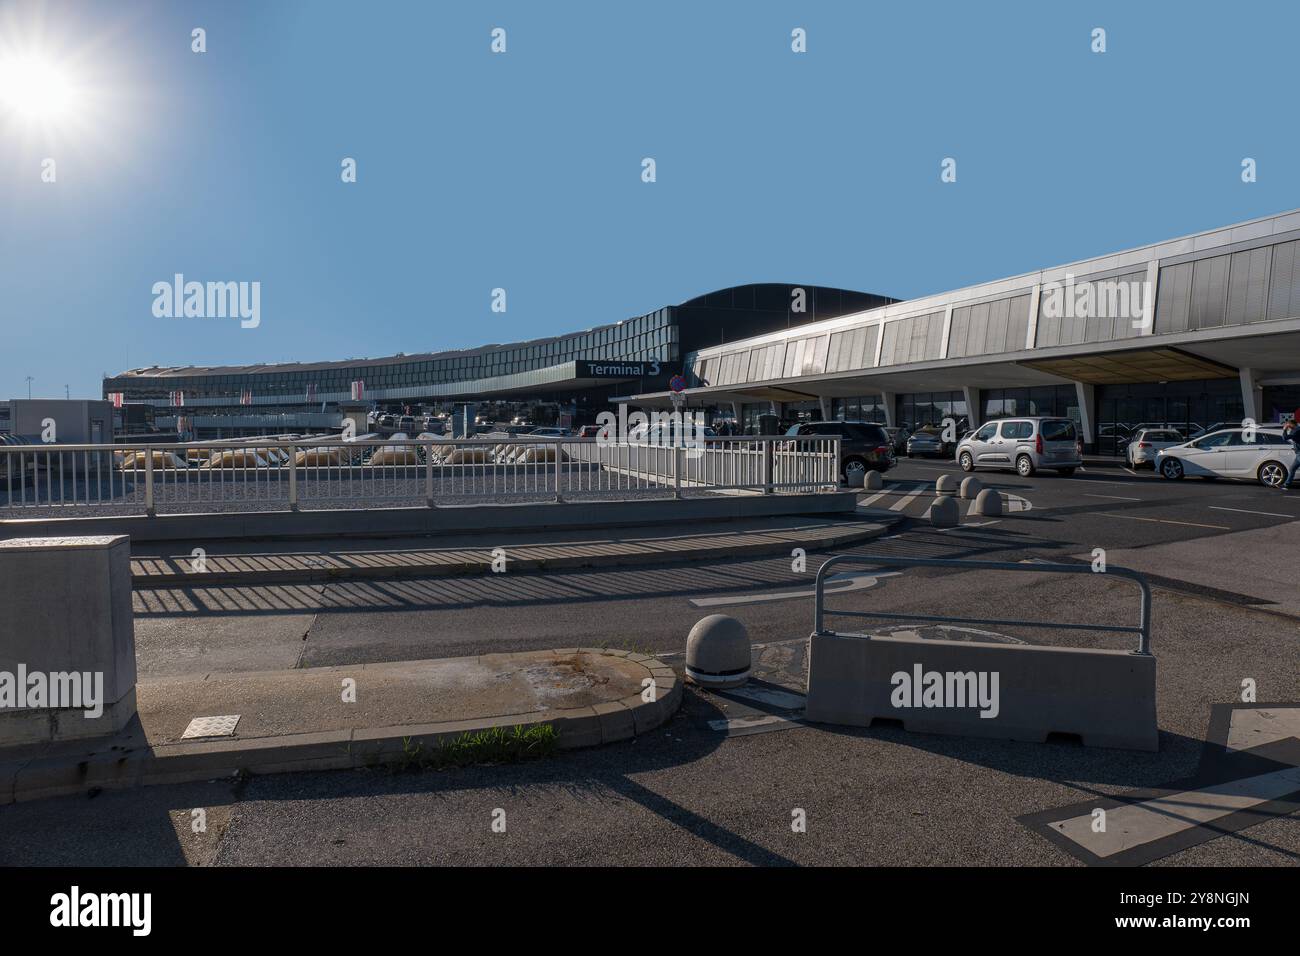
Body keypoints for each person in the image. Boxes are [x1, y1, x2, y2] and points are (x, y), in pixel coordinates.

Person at [1282, 418, 1300, 490]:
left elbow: (1285, 438)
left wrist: (1284, 429)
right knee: (1292, 469)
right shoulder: (1297, 430)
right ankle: (1287, 485)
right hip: (1298, 453)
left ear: (1292, 424)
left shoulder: (1296, 431)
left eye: (1288, 424)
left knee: (1292, 469)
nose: (1287, 426)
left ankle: (1287, 485)